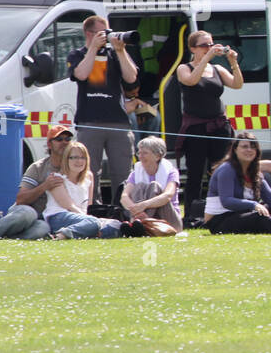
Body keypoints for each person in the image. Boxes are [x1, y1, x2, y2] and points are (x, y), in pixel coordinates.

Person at [67, 14, 139, 201]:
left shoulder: (115, 54)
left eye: (108, 32)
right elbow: (81, 75)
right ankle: (92, 211)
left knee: (123, 172)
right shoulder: (77, 54)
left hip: (118, 123)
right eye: (103, 33)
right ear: (89, 34)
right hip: (89, 121)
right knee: (89, 173)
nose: (107, 36)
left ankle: (123, 212)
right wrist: (92, 49)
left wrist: (121, 51)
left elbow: (131, 78)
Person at [0, 123, 73, 241]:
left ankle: (4, 239)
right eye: (59, 139)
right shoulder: (38, 168)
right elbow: (21, 199)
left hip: (44, 220)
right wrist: (45, 186)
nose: (64, 142)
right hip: (25, 212)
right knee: (29, 213)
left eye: (68, 139)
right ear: (49, 144)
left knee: (42, 229)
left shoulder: (74, 167)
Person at [175, 29, 243, 208]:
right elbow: (190, 81)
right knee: (195, 172)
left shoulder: (217, 69)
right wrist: (205, 59)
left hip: (219, 126)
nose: (209, 48)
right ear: (192, 49)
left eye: (211, 44)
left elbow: (237, 84)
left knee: (221, 169)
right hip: (196, 128)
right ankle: (191, 212)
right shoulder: (184, 68)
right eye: (204, 45)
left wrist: (233, 61)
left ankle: (222, 207)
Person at [204, 131, 271, 234]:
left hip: (241, 214)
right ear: (235, 150)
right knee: (258, 216)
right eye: (244, 147)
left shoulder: (254, 172)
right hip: (218, 221)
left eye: (253, 147)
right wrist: (254, 204)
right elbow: (227, 201)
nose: (249, 150)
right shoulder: (227, 169)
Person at [43, 141, 123, 239]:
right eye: (74, 157)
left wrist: (90, 219)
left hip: (82, 218)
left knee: (116, 224)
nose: (79, 161)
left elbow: (88, 206)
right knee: (94, 223)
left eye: (82, 157)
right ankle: (61, 235)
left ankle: (88, 232)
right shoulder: (56, 178)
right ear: (66, 159)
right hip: (58, 217)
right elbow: (69, 206)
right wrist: (91, 220)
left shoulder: (89, 176)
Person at [119, 135, 183, 233]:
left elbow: (168, 195)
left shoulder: (171, 172)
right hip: (140, 215)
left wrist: (144, 205)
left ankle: (140, 224)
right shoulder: (135, 173)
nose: (140, 156)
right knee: (139, 187)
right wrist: (138, 210)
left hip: (169, 221)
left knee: (154, 186)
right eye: (139, 152)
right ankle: (141, 224)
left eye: (145, 153)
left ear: (157, 156)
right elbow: (124, 197)